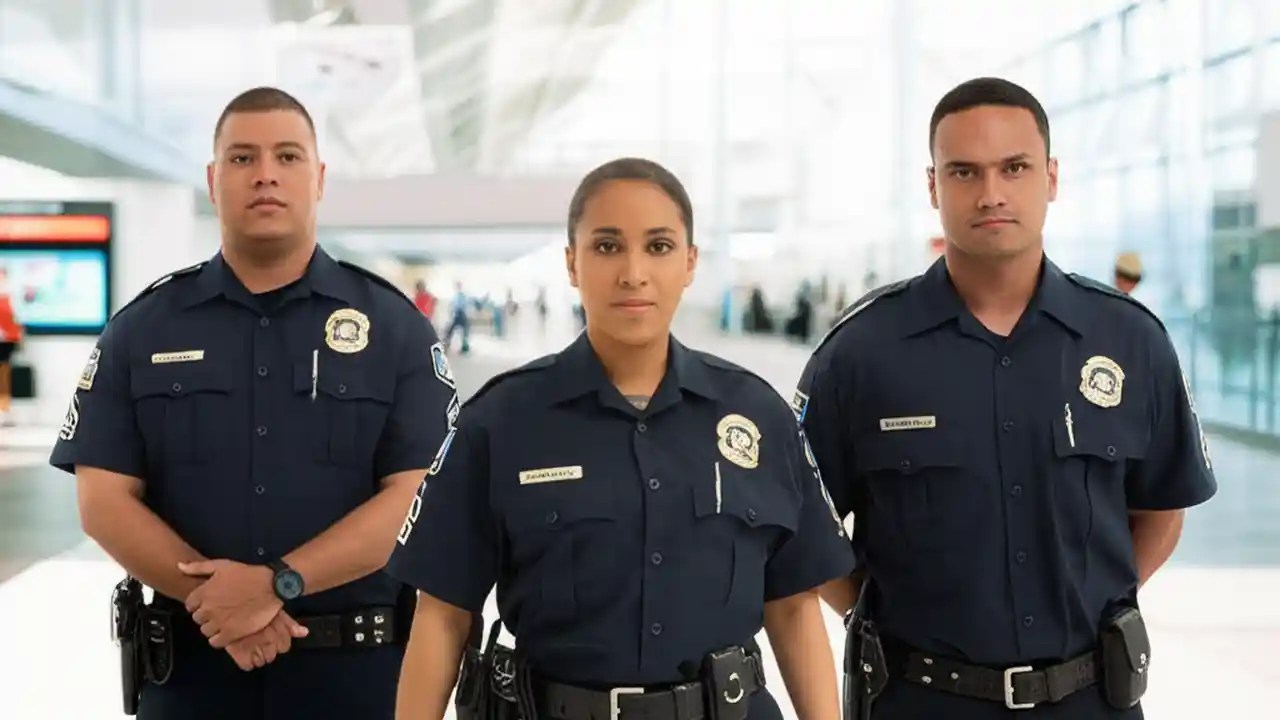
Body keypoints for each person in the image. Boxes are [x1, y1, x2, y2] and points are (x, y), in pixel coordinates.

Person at [796, 78, 1217, 719]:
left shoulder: (1130, 340)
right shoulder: (860, 353)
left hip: (1091, 699)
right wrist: (870, 611)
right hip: (919, 701)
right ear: (933, 186)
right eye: (963, 172)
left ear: (1050, 177)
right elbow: (805, 521)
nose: (991, 194)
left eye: (1013, 168)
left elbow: (1163, 508)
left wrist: (1091, 603)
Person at [387, 157, 854, 720]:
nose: (633, 272)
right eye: (607, 246)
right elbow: (442, 616)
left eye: (658, 246)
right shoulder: (501, 421)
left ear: (689, 262)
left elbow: (794, 608)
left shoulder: (758, 417)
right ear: (571, 263)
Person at [48, 86, 457, 719]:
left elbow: (418, 496)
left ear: (318, 179)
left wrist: (278, 584)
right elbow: (102, 501)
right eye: (242, 158)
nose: (265, 173)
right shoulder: (143, 330)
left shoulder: (395, 329)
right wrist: (222, 605)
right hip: (191, 674)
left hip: (357, 680)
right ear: (213, 181)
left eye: (287, 156)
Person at [0, 266, 22, 426]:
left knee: (4, 369)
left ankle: (4, 403)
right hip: (6, 336)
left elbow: (13, 319)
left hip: (8, 338)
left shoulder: (10, 295)